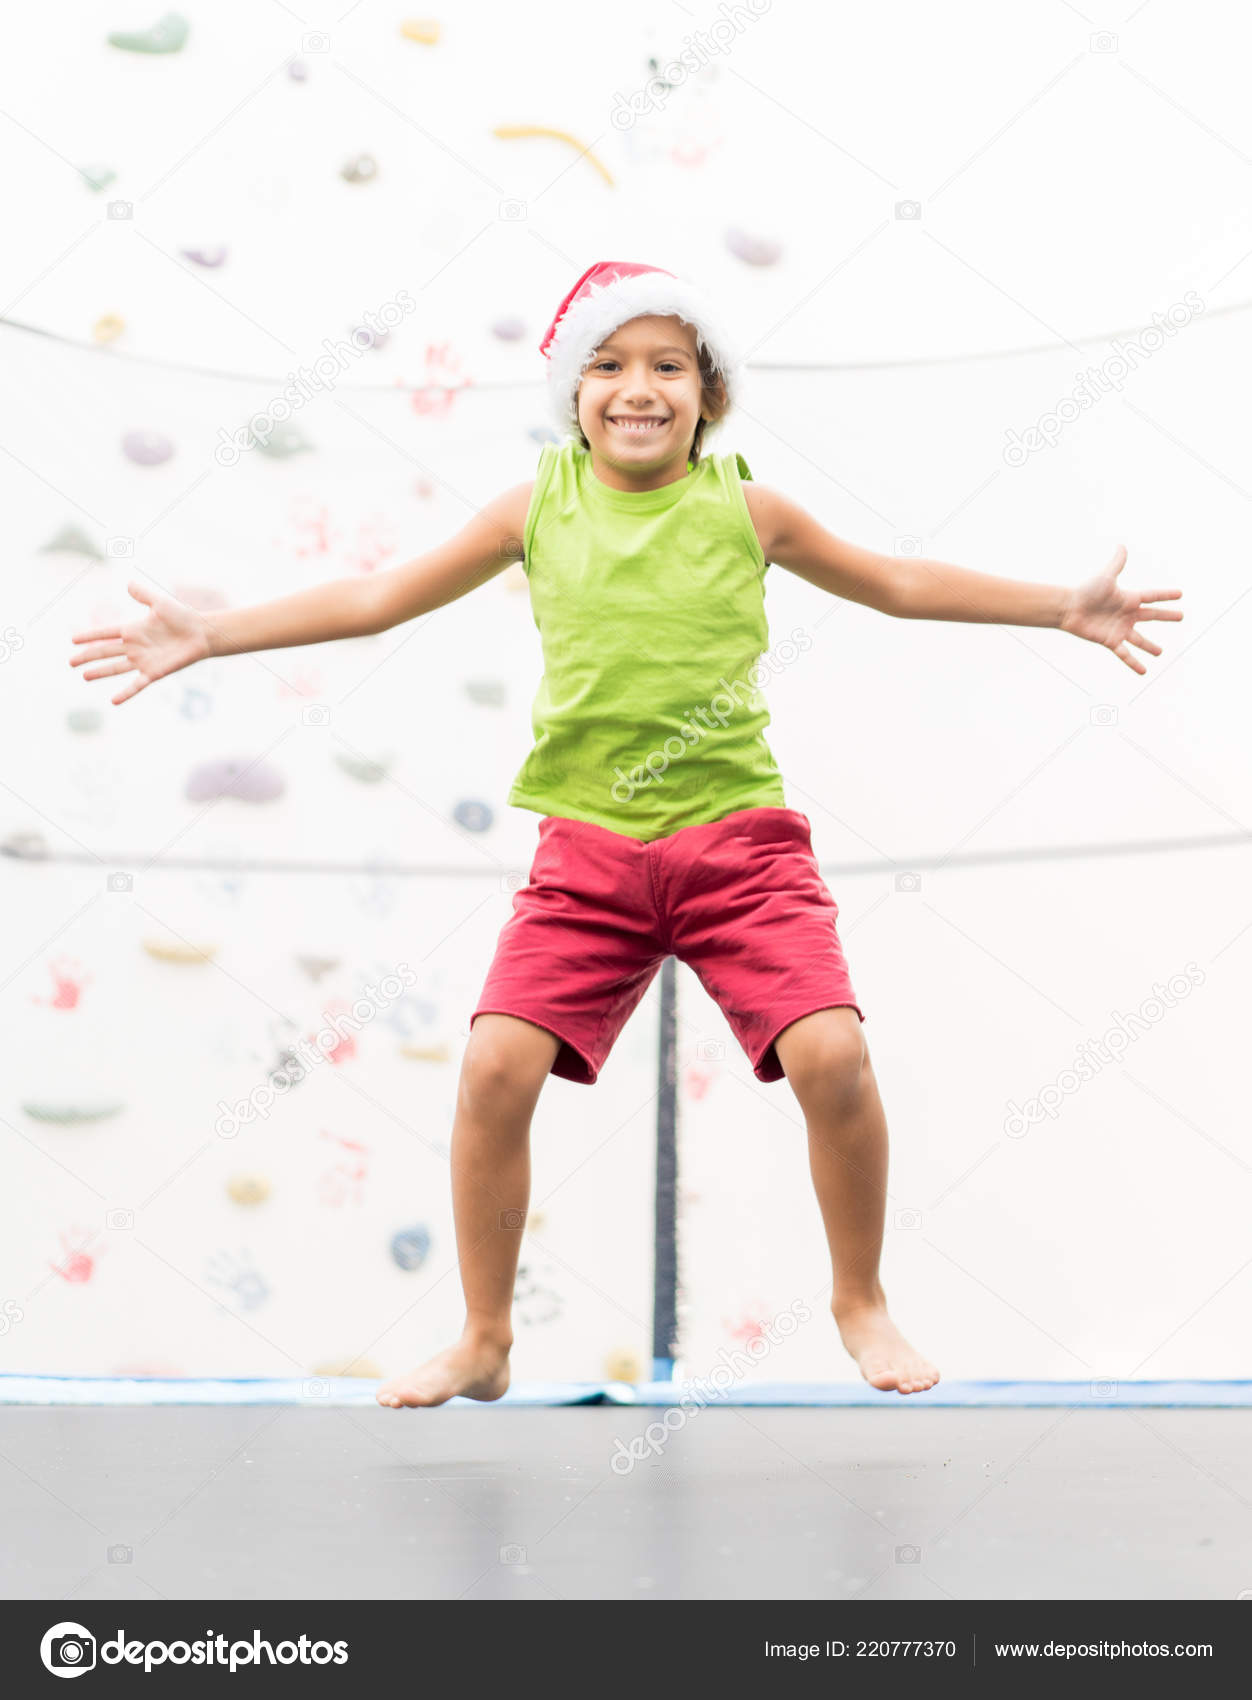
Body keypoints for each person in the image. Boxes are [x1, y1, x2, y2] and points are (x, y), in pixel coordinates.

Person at [69, 259, 1184, 1407]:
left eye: (667, 366)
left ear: (708, 395)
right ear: (573, 392)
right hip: (587, 855)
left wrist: (1059, 604)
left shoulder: (748, 510)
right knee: (493, 1068)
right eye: (607, 364)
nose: (637, 387)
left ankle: (859, 1297)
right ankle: (485, 1336)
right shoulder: (535, 506)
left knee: (832, 1056)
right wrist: (213, 632)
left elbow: (895, 581)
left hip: (738, 850)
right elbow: (376, 596)